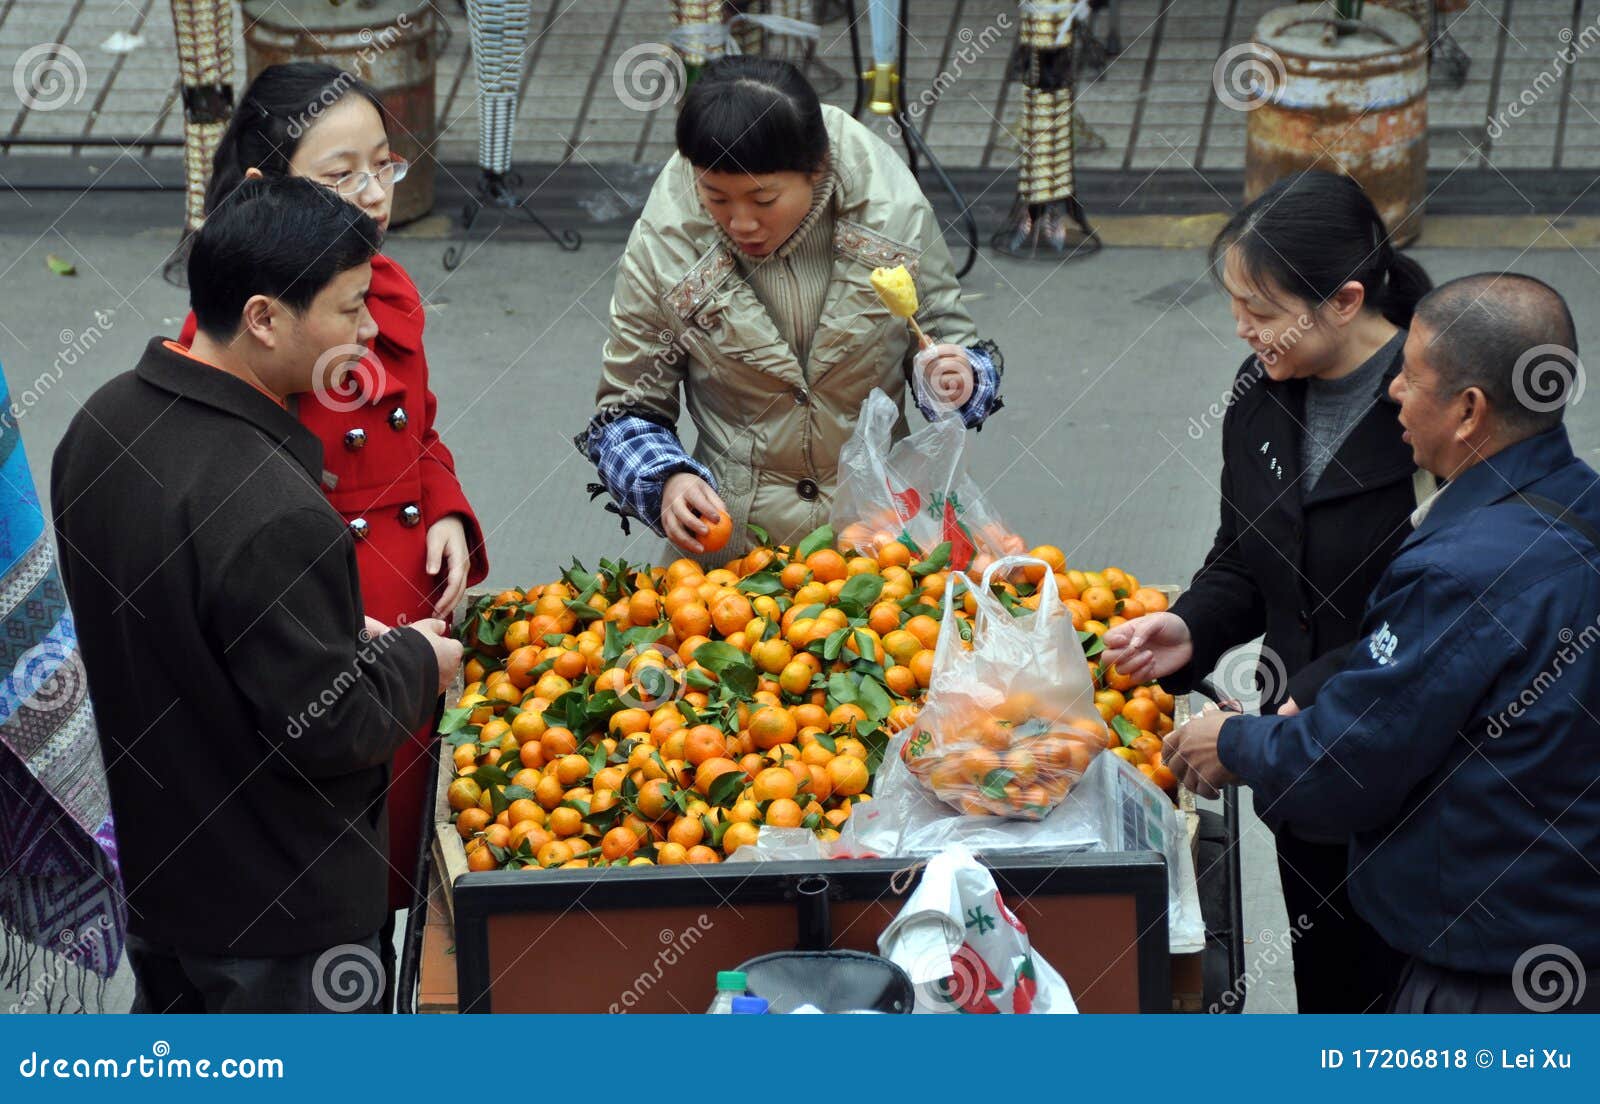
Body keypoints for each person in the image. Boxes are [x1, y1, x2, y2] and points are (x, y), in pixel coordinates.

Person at [51, 177, 463, 1013]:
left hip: (163, 878)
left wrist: (326, 630)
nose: (371, 330)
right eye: (350, 310)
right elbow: (331, 726)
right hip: (281, 917)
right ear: (266, 317)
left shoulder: (100, 425)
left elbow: (191, 631)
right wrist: (418, 657)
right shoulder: (270, 507)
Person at [1164, 273, 1600, 1014]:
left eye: (1411, 375)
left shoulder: (1461, 568)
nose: (1392, 390)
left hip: (1487, 978)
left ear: (1469, 411)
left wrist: (1233, 743)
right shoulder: (1579, 503)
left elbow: (1349, 763)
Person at [177, 62, 488, 979]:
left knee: (411, 865)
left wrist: (442, 508)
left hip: (414, 613)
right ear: (267, 194)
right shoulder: (262, 330)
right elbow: (237, 499)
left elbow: (422, 426)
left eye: (383, 168)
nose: (373, 196)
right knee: (329, 888)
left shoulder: (380, 289)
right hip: (331, 638)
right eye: (339, 175)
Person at [1100, 171, 1432, 1012]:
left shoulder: (1434, 413)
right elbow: (1245, 556)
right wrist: (1189, 625)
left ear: (1346, 300)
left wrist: (1275, 720)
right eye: (1237, 301)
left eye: (1261, 307)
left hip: (1418, 781)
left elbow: (1444, 613)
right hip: (1306, 781)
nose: (1241, 326)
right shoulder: (1260, 394)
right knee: (1332, 998)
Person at [578, 56, 1003, 563]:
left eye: (763, 200)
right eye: (716, 198)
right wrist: (668, 480)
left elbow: (949, 345)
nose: (740, 223)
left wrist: (959, 380)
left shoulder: (894, 216)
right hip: (733, 552)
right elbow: (628, 410)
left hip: (885, 540)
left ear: (817, 170)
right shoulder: (664, 245)